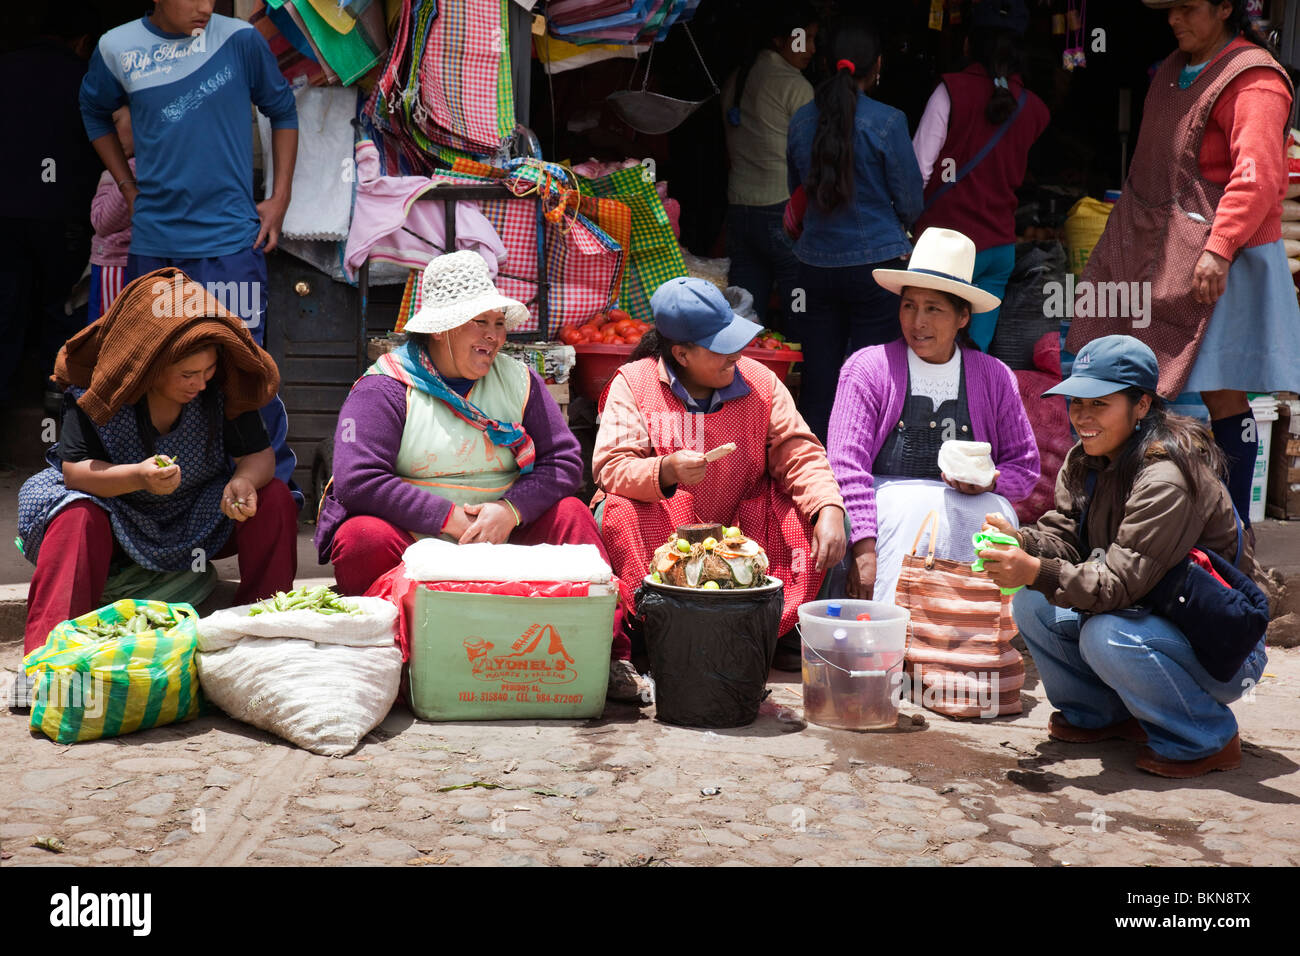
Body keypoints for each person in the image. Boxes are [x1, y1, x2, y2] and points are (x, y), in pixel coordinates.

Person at [315, 251, 644, 702]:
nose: (493, 336)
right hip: (416, 539)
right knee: (361, 537)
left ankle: (607, 654)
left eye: (498, 323)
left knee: (570, 515)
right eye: (479, 323)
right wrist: (450, 519)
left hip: (506, 533)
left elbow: (564, 461)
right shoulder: (385, 387)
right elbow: (358, 480)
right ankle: (388, 654)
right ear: (444, 328)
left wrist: (509, 511)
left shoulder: (518, 380)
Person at [978, 334, 1265, 778]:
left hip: (1225, 643)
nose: (1082, 418)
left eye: (1099, 404)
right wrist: (1020, 543)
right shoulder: (1086, 459)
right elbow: (1064, 536)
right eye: (1077, 403)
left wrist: (1034, 569)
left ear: (1142, 406)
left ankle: (1204, 738)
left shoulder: (1167, 478)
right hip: (1155, 615)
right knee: (1031, 602)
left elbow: (1116, 586)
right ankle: (1105, 715)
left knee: (1105, 632)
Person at [1065, 0, 1300, 530]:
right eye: (1170, 8)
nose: (1174, 18)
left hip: (1221, 258)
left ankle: (1232, 532)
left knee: (1222, 393)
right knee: (1112, 371)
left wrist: (1219, 247)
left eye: (1188, 7)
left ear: (1224, 8)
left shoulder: (1255, 79)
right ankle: (1119, 520)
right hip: (1150, 242)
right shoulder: (1172, 68)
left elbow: (1257, 173)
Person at [78, 0, 304, 505]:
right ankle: (162, 493)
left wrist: (280, 197)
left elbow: (282, 108)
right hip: (156, 249)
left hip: (230, 245)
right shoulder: (117, 47)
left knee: (244, 373)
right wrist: (127, 187)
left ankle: (264, 492)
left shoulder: (240, 40)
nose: (206, 6)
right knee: (152, 368)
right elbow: (93, 111)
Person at [17, 269, 297, 657]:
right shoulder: (98, 393)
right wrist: (138, 477)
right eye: (187, 374)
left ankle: (262, 634)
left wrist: (245, 481)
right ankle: (51, 656)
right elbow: (75, 472)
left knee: (276, 498)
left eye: (208, 371)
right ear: (149, 367)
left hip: (197, 515)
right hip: (115, 511)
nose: (200, 383)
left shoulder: (219, 389)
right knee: (76, 515)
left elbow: (259, 455)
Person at [594, 276, 847, 672]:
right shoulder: (634, 384)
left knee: (806, 511)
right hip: (665, 529)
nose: (737, 355)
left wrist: (828, 508)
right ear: (681, 353)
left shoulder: (762, 382)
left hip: (743, 529)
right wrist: (666, 470)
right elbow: (611, 468)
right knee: (619, 509)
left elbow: (800, 452)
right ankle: (649, 633)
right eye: (721, 348)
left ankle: (778, 632)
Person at [827, 228, 1039, 603]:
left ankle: (969, 638)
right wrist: (864, 549)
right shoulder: (867, 369)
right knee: (913, 510)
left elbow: (1023, 468)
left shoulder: (995, 377)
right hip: (889, 517)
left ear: (962, 317)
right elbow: (846, 466)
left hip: (967, 514)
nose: (917, 322)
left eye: (933, 309)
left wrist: (989, 483)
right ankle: (896, 642)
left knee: (994, 515)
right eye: (909, 305)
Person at [786, 16, 924, 441]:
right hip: (876, 269)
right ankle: (865, 465)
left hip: (814, 266)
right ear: (877, 66)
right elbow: (911, 202)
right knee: (870, 374)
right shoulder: (888, 121)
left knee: (820, 376)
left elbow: (797, 192)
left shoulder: (802, 120)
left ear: (827, 64)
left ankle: (813, 475)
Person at [911, 0, 1049, 351]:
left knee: (929, 351)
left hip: (943, 247)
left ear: (968, 44)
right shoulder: (1034, 109)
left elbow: (917, 172)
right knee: (974, 355)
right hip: (997, 249)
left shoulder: (951, 91)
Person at [0, 3, 104, 418]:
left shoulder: (5, 68)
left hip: (5, 217)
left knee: (6, 308)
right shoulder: (85, 79)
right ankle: (57, 404)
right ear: (82, 43)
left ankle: (4, 413)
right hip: (63, 214)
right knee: (61, 307)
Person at [721, 0, 818, 332]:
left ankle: (741, 377)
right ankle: (795, 377)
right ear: (779, 40)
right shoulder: (795, 86)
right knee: (799, 308)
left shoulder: (738, 78)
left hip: (739, 207)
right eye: (804, 39)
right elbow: (812, 157)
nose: (812, 49)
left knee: (744, 316)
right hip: (781, 210)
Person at [89, 107, 134, 322]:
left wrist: (110, 178)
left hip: (116, 265)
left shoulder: (133, 169)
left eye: (116, 121)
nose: (109, 133)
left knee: (108, 334)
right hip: (127, 263)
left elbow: (103, 221)